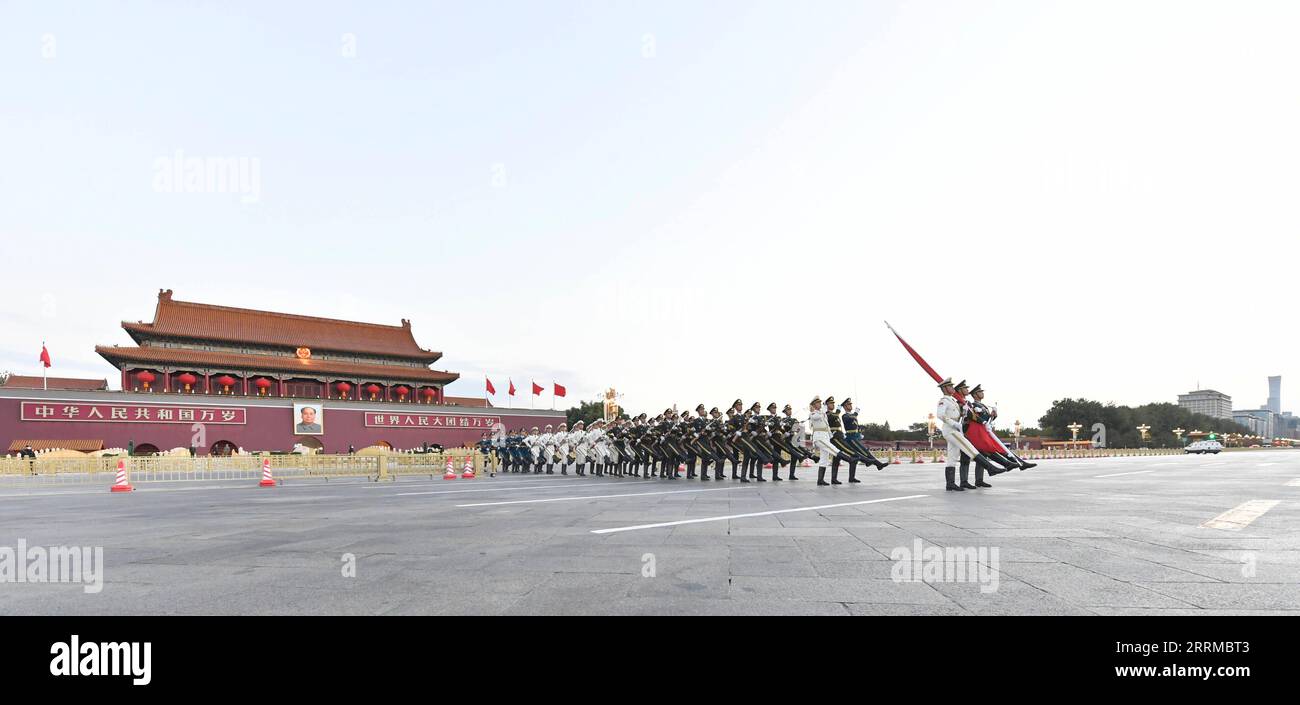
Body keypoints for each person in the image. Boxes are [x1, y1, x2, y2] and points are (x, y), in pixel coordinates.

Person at [936, 378, 1005, 491]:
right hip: (951, 429)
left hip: (956, 429)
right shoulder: (943, 401)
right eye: (950, 386)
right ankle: (990, 468)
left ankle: (950, 484)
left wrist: (963, 413)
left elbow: (961, 414)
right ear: (944, 388)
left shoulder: (953, 400)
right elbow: (940, 415)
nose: (953, 388)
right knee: (970, 448)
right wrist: (955, 424)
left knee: (952, 458)